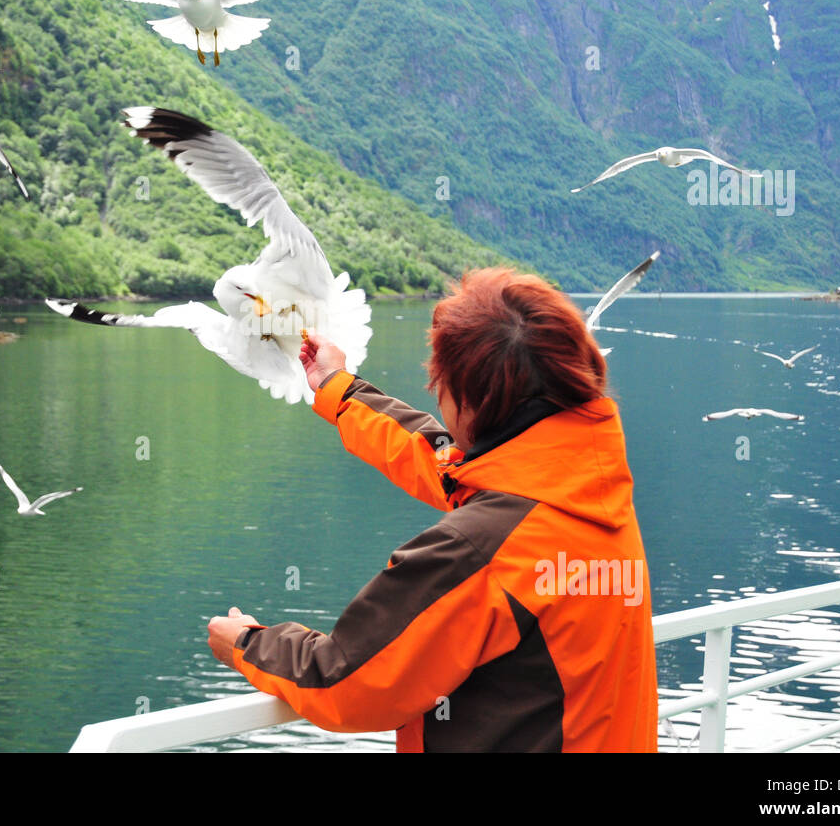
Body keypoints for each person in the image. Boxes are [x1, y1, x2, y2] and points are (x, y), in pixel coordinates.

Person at [206, 268, 658, 752]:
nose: (435, 395)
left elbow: (345, 682)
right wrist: (336, 388)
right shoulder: (590, 484)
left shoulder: (480, 550)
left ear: (471, 399)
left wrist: (247, 643)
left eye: (439, 381)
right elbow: (451, 465)